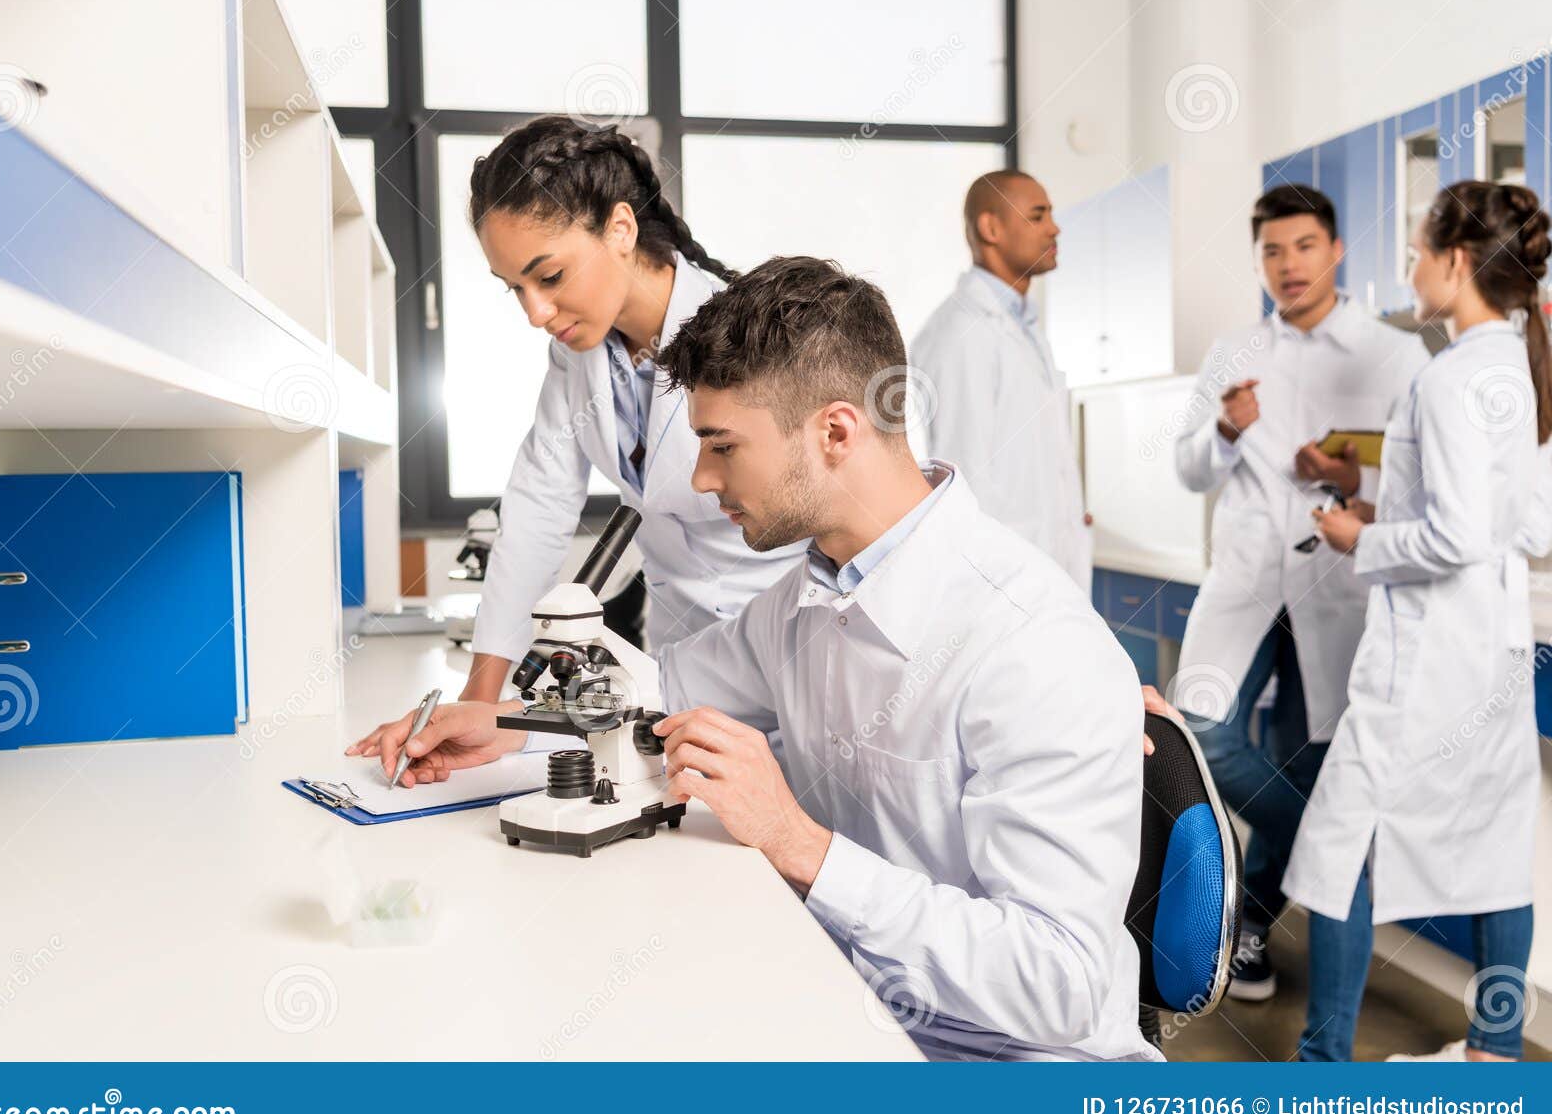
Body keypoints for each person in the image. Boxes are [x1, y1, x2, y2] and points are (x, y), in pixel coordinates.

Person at [377, 257, 1159, 1062]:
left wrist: (798, 843)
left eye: (720, 445)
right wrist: (504, 722)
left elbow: (1058, 985)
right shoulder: (812, 592)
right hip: (848, 998)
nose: (701, 478)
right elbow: (662, 688)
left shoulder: (1031, 644)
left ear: (835, 431)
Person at [347, 116, 801, 766]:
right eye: (516, 290)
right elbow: (536, 511)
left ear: (620, 230)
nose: (534, 313)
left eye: (549, 277)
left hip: (788, 661)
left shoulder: (751, 337)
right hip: (674, 672)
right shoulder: (582, 355)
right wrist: (478, 701)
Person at [1283, 181, 1551, 1062]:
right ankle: (1495, 1055)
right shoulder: (1520, 366)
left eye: (1416, 250)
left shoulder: (1445, 378)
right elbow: (1532, 520)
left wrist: (1360, 534)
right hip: (1494, 649)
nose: (1409, 267)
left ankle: (1322, 1073)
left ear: (1457, 262)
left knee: (1338, 845)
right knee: (1499, 843)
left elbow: (1458, 532)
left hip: (1429, 657)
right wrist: (1366, 487)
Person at [1170, 185, 1431, 1000]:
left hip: (1340, 581)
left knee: (1307, 761)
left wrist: (1357, 475)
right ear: (1259, 260)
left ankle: (1249, 929)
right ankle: (1331, 852)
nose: (1289, 266)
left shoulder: (1394, 355)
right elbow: (1187, 469)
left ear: (1338, 250)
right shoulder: (1234, 351)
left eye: (1305, 247)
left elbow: (1424, 481)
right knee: (1203, 728)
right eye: (1273, 252)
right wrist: (1224, 430)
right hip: (1249, 577)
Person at [910, 170, 1091, 589]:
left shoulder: (1025, 327)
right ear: (991, 228)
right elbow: (964, 477)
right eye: (1038, 216)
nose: (1054, 228)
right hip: (1004, 580)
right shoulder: (959, 333)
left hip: (1045, 568)